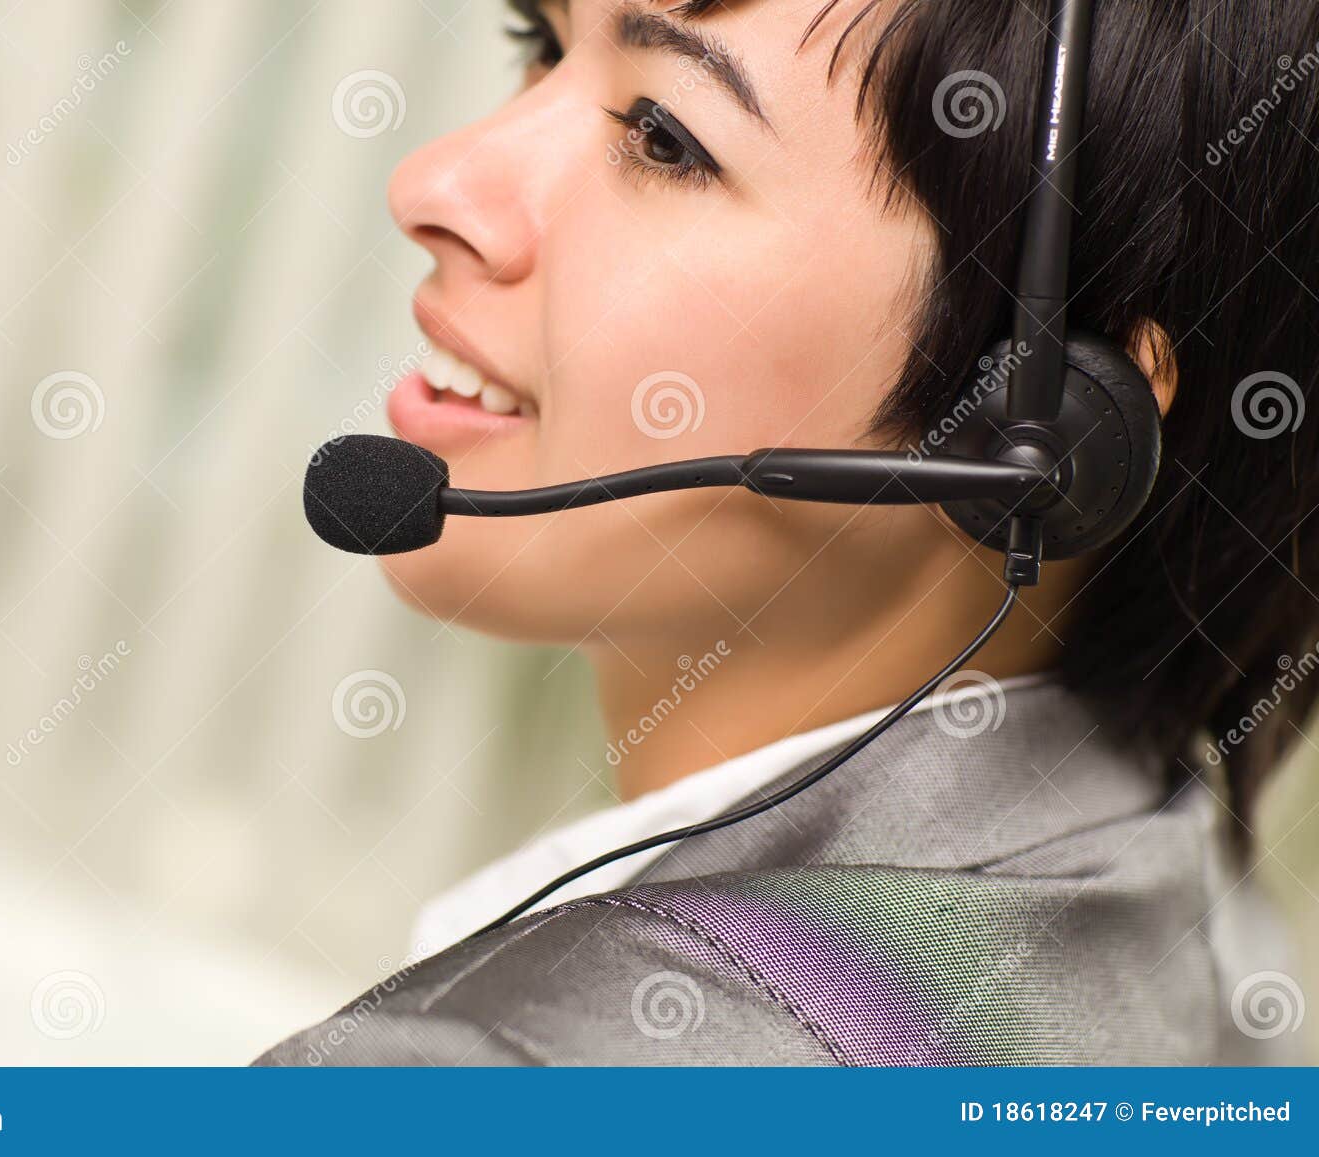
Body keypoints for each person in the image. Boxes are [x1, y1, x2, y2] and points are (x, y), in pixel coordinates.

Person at [259, 0, 1319, 1065]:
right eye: (538, 43)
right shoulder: (1199, 945)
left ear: (1046, 428)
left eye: (663, 138)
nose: (434, 185)